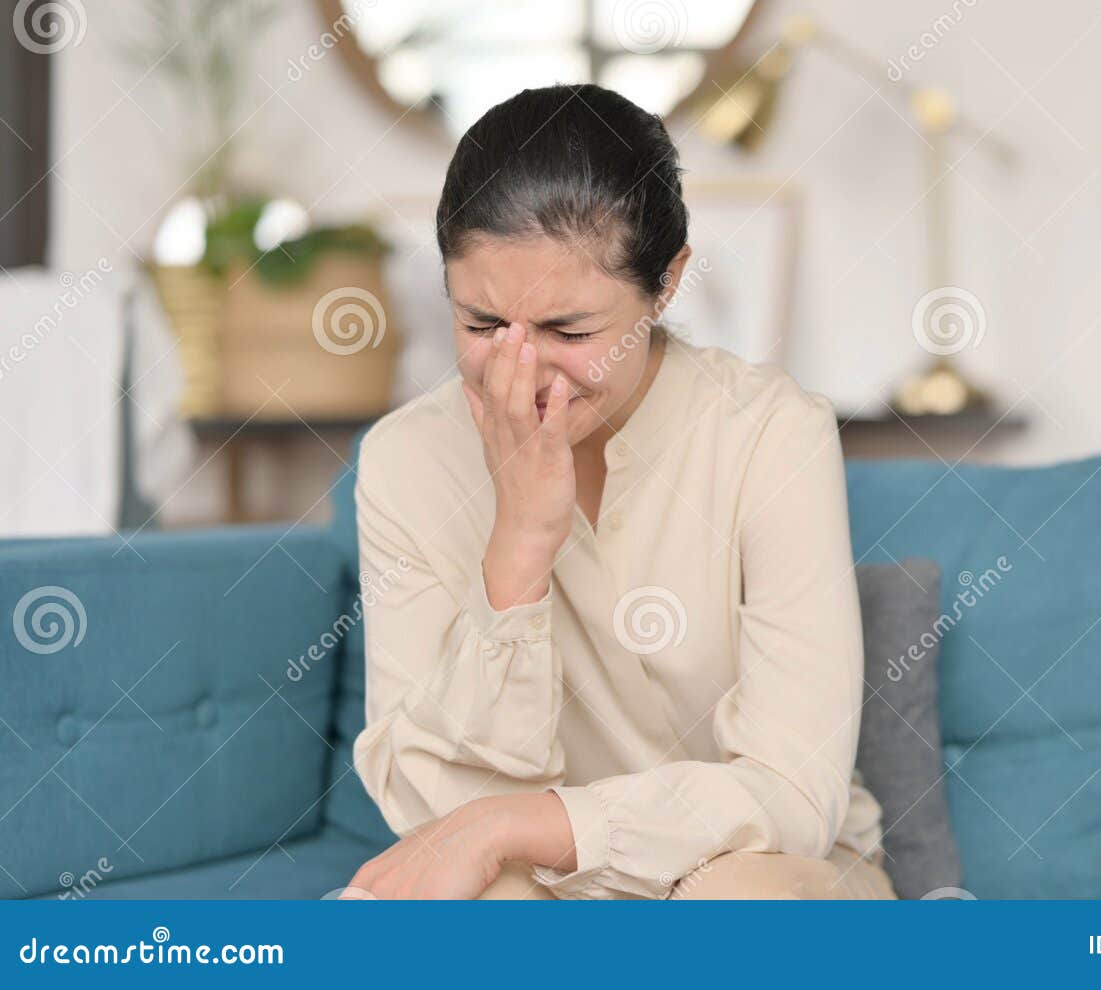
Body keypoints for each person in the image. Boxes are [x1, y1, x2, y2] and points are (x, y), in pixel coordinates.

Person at [343, 84, 891, 900]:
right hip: (533, 887)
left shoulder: (772, 435)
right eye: (482, 324)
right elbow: (429, 805)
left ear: (666, 284)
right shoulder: (403, 462)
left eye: (570, 332)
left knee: (732, 903)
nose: (518, 370)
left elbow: (791, 794)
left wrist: (511, 825)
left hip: (756, 873)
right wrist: (520, 545)